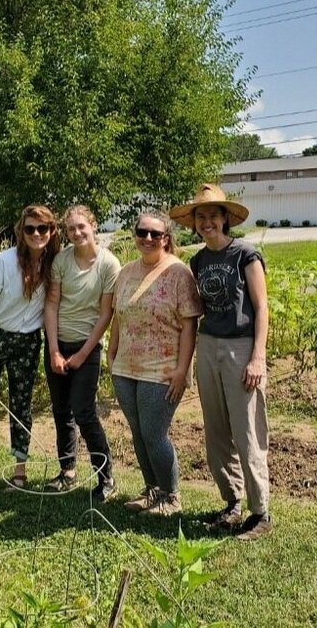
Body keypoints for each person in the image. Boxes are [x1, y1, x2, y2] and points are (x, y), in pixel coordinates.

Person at [170, 184, 273, 539]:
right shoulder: (198, 261)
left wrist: (257, 357)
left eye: (213, 215)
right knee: (216, 432)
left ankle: (260, 513)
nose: (207, 222)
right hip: (209, 345)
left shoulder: (246, 254)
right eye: (201, 216)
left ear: (225, 218)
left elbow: (262, 307)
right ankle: (232, 503)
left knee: (247, 432)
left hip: (241, 347)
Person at [108, 209, 202, 516]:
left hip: (162, 369)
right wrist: (111, 351)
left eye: (155, 233)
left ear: (166, 238)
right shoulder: (126, 272)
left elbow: (189, 325)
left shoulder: (178, 273)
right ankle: (152, 490)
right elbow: (119, 314)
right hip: (126, 367)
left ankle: (171, 496)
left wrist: (182, 370)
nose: (147, 238)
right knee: (138, 432)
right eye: (142, 232)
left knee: (154, 434)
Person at [0, 204, 60, 492]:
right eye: (30, 228)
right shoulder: (2, 263)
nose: (36, 234)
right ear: (21, 231)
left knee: (21, 405)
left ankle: (20, 471)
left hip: (28, 342)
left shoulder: (54, 265)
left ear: (51, 231)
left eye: (42, 228)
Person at [42, 205, 121, 501]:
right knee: (61, 411)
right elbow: (51, 304)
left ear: (93, 226)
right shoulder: (61, 260)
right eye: (71, 229)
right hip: (57, 343)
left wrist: (82, 354)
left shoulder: (109, 264)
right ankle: (67, 471)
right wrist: (54, 350)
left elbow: (105, 315)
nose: (76, 233)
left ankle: (106, 477)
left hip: (87, 347)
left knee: (84, 413)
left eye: (81, 227)